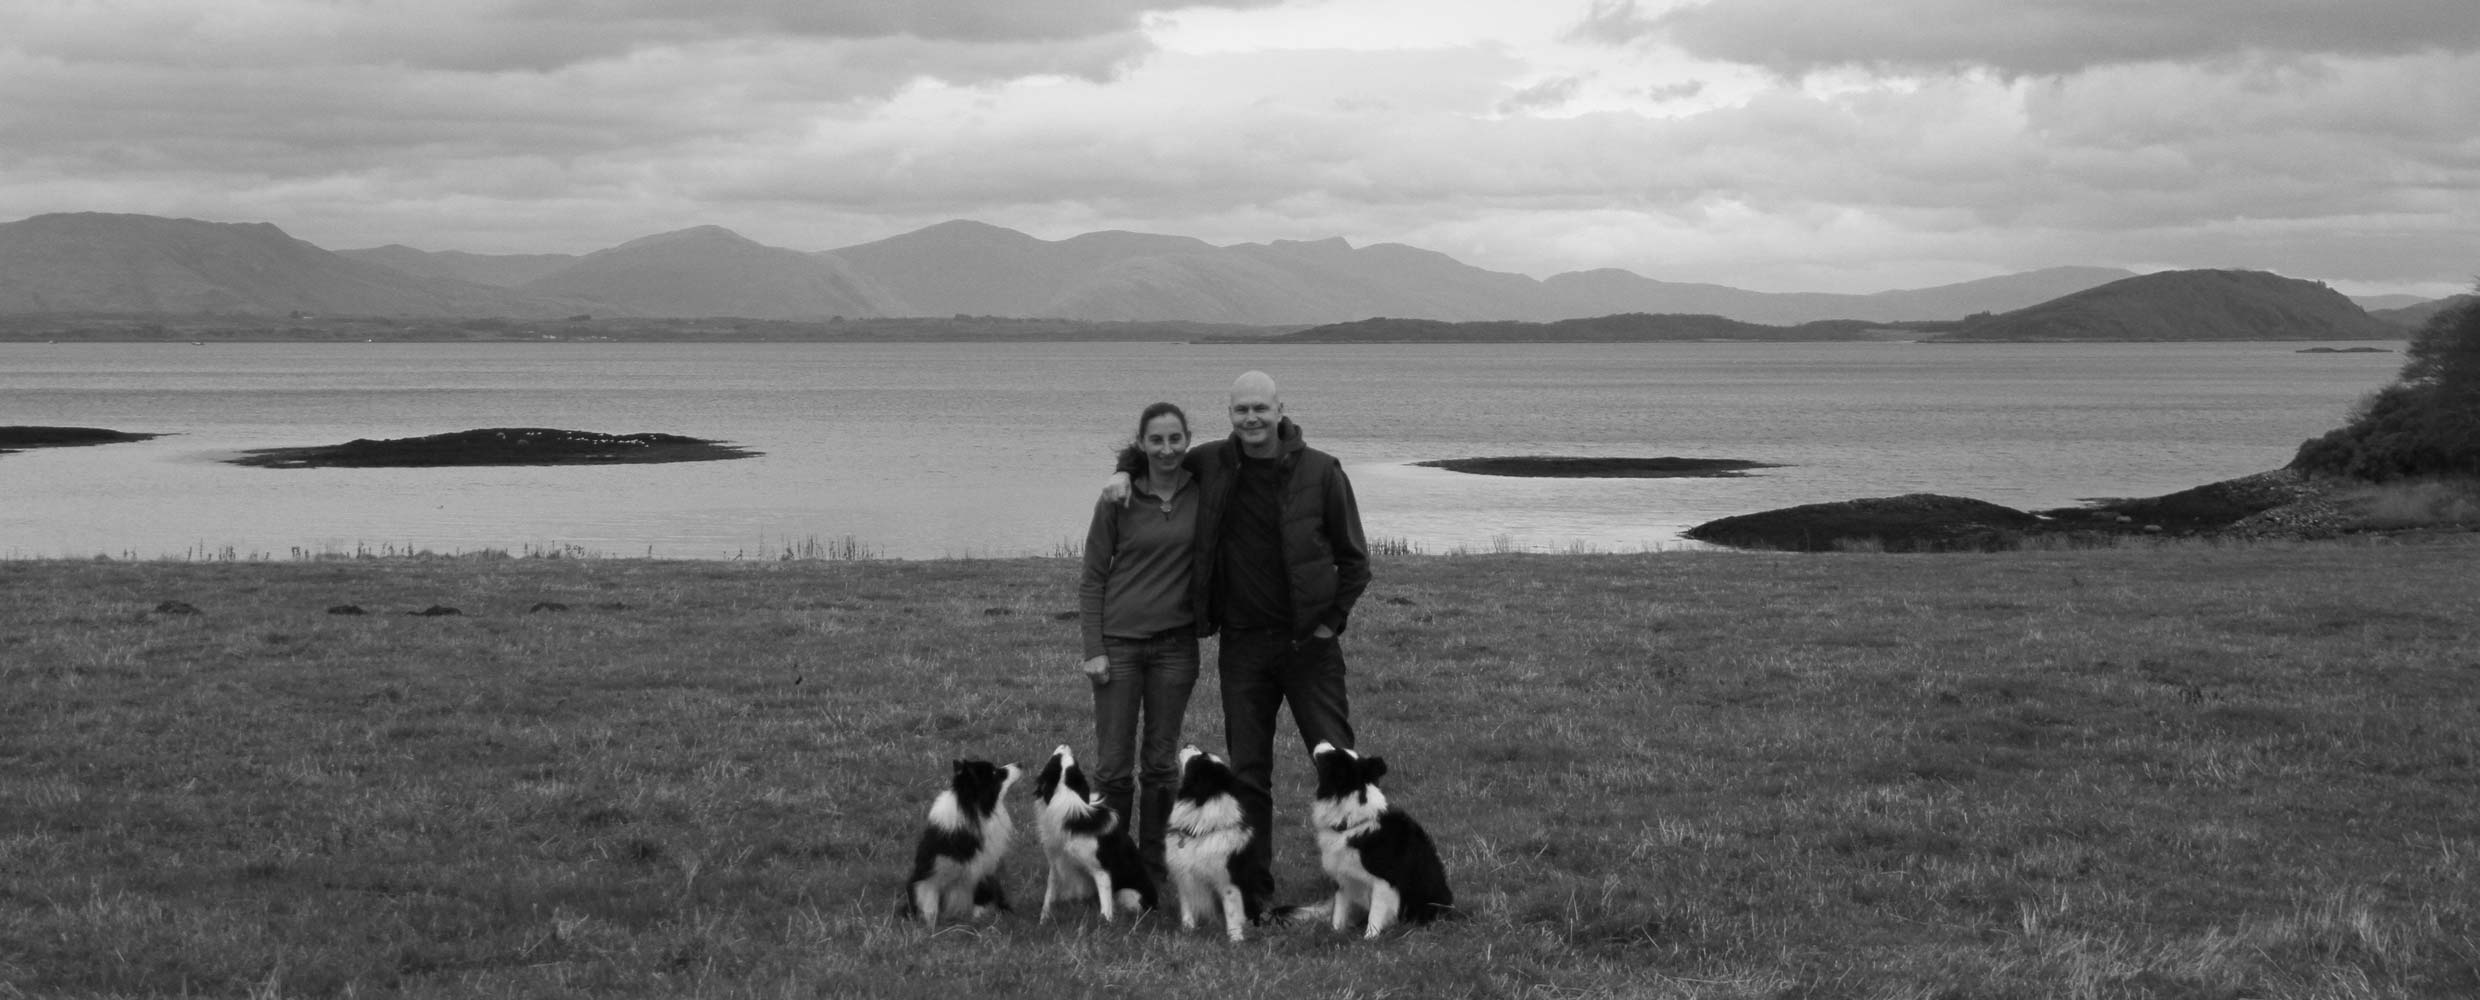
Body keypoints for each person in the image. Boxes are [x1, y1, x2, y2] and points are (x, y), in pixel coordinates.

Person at [1108, 370, 1371, 902]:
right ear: (1230, 415)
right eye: (1241, 410)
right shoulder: (1213, 462)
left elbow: (1355, 561)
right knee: (1249, 774)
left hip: (1310, 648)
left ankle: (1364, 878)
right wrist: (1120, 473)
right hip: (1243, 647)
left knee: (1338, 762)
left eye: (1260, 408)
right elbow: (1159, 455)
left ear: (1280, 410)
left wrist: (1327, 625)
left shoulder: (1322, 472)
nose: (1251, 418)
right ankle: (1255, 891)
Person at [1077, 401, 1203, 886]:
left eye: (1175, 439)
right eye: (1156, 440)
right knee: (1111, 769)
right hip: (1119, 646)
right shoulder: (1117, 498)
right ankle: (1109, 867)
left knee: (1160, 766)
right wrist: (1094, 648)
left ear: (1188, 440)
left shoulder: (1202, 489)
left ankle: (1153, 870)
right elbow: (1092, 577)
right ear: (1142, 444)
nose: (1167, 449)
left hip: (1176, 647)